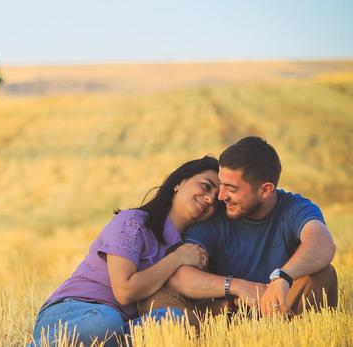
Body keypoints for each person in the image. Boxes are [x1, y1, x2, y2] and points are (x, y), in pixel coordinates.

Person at [139, 136, 338, 324]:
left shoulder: (295, 208)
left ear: (265, 190)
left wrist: (282, 277)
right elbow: (180, 277)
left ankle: (277, 334)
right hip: (224, 311)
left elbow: (323, 243)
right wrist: (236, 287)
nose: (220, 196)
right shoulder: (214, 215)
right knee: (159, 298)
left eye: (231, 189)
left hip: (276, 307)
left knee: (323, 274)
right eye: (221, 184)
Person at [29, 156, 222, 347]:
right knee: (105, 322)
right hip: (74, 314)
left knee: (175, 322)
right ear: (180, 182)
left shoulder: (191, 249)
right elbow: (124, 291)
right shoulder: (133, 222)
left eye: (217, 199)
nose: (210, 198)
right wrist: (177, 258)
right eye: (206, 186)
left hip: (122, 327)